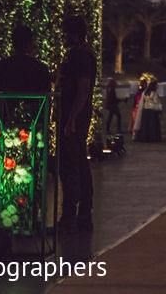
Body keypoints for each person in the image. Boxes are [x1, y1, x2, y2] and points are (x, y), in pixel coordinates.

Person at [57, 15, 96, 233]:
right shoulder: (78, 54)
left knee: (72, 166)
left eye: (65, 33)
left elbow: (83, 88)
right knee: (78, 163)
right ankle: (81, 216)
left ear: (74, 34)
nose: (62, 37)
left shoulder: (81, 56)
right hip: (73, 116)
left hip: (73, 118)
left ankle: (71, 217)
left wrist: (71, 118)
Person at [0, 25, 51, 94]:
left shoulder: (0, 67)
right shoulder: (40, 69)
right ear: (30, 43)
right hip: (33, 104)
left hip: (6, 104)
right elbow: (47, 96)